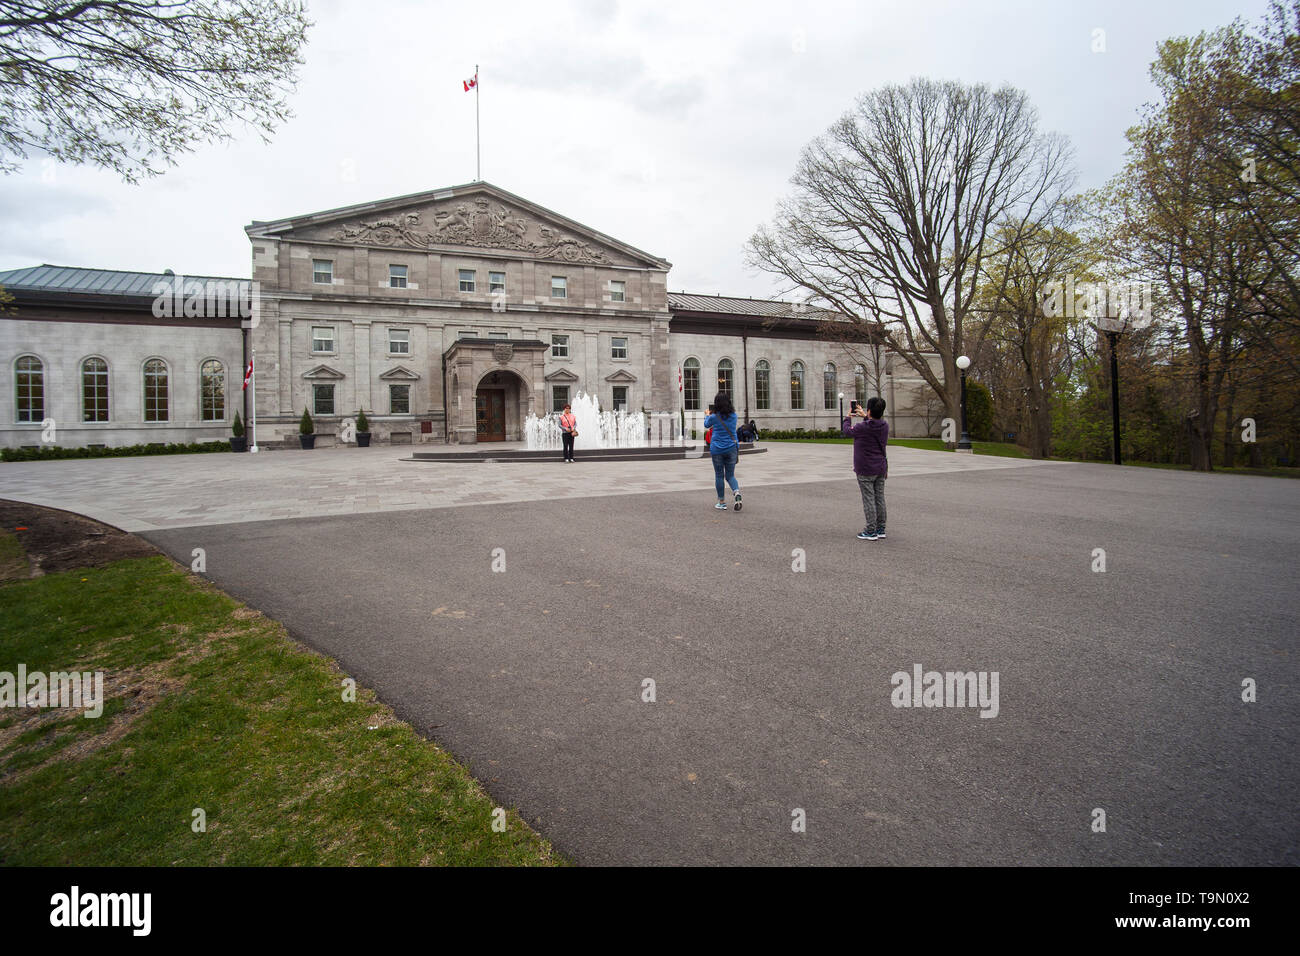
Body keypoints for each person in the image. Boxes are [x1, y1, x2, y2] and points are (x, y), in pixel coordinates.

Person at [843, 396, 888, 539]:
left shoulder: (863, 427)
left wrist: (848, 417)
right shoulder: (884, 425)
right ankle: (881, 528)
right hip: (880, 467)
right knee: (879, 498)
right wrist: (866, 417)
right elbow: (872, 425)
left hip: (865, 468)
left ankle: (870, 530)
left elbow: (847, 431)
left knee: (869, 499)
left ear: (869, 411)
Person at [703, 392, 742, 511]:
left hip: (717, 449)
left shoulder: (714, 417)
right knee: (730, 475)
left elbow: (706, 425)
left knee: (719, 475)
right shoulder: (734, 416)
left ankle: (721, 502)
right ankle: (736, 492)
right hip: (731, 448)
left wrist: (707, 415)